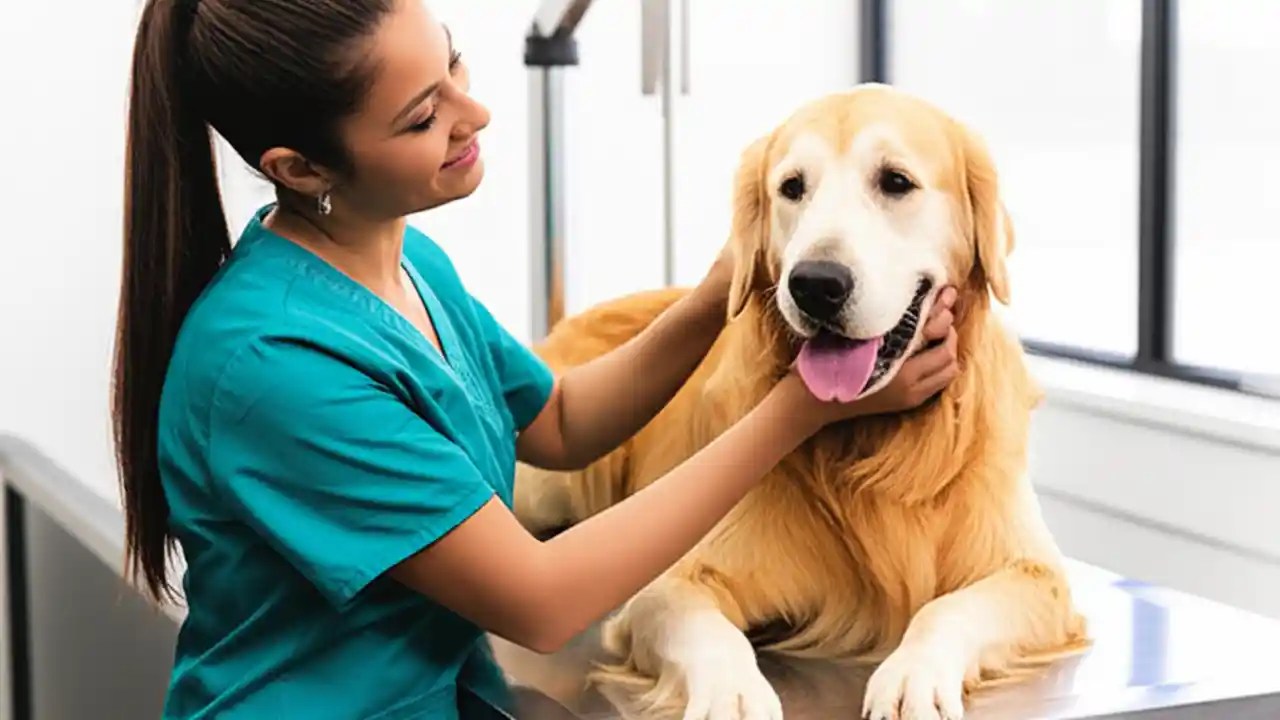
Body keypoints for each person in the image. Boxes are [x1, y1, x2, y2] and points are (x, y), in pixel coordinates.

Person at [111, 1, 961, 718]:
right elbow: (542, 601)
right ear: (299, 167)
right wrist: (804, 408)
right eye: (422, 116)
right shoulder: (273, 365)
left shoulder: (407, 268)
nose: (472, 115)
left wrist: (717, 296)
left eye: (454, 67)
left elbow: (556, 420)